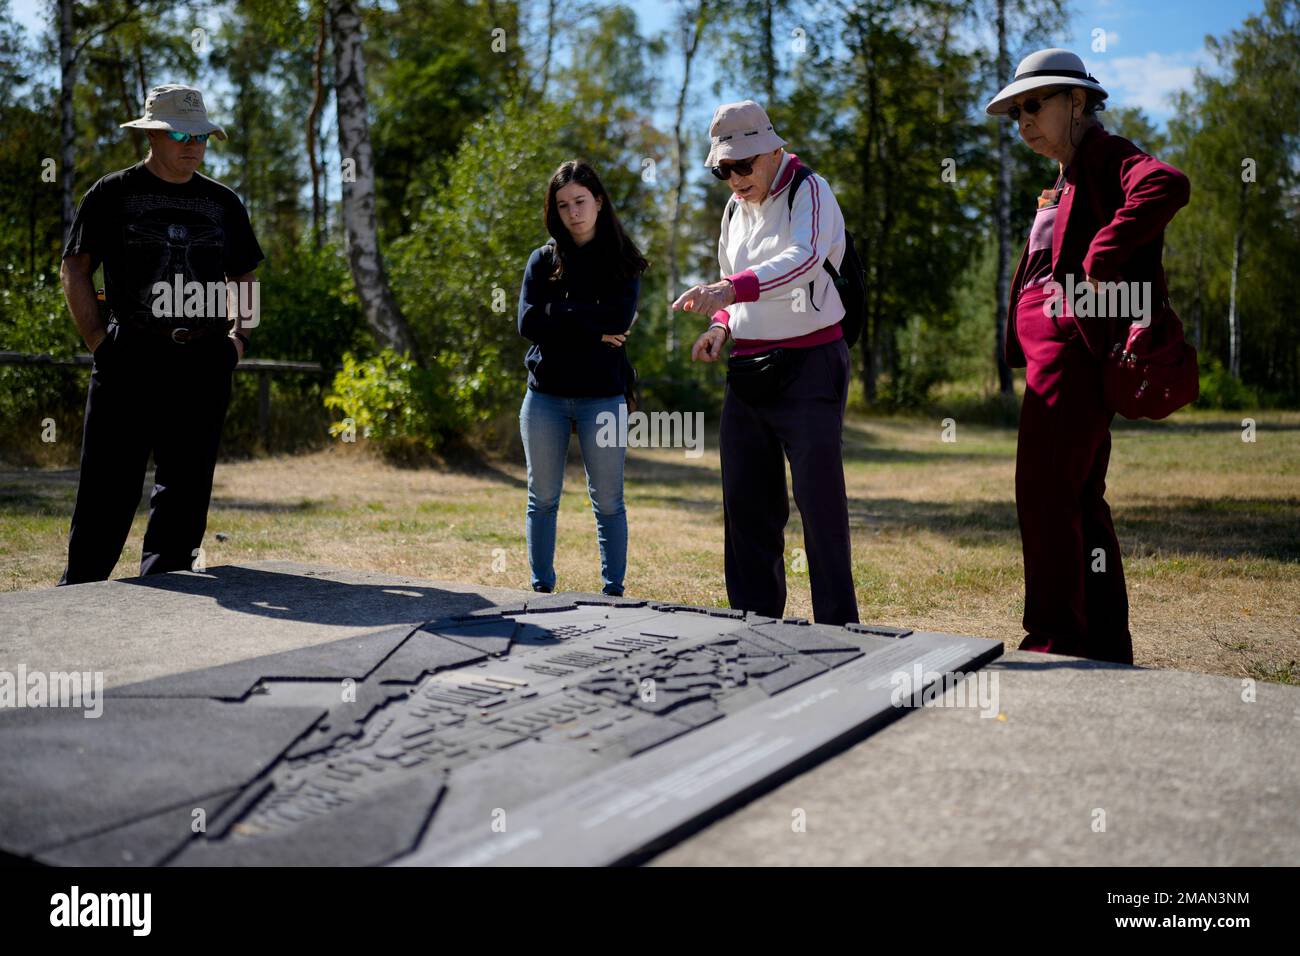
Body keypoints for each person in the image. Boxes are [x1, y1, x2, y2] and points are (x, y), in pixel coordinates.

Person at [986, 49, 1190, 664]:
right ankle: (1103, 641)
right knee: (1077, 498)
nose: (1023, 120)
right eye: (1015, 111)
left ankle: (1055, 639)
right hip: (1055, 355)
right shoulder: (1066, 175)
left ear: (1077, 102)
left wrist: (1103, 255)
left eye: (1034, 104)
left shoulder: (1104, 154)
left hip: (1074, 354)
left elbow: (1168, 182)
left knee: (1045, 491)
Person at [57, 84, 264, 585]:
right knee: (108, 486)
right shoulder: (112, 194)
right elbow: (75, 267)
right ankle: (78, 594)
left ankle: (167, 592)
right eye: (178, 133)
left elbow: (244, 279)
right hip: (129, 358)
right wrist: (97, 342)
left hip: (203, 361)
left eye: (201, 136)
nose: (191, 145)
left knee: (187, 488)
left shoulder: (223, 202)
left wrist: (239, 340)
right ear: (152, 135)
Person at [679, 100, 858, 626]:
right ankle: (754, 625)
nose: (734, 177)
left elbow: (802, 261)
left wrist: (729, 289)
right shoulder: (734, 210)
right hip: (748, 369)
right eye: (723, 168)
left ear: (773, 148)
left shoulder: (810, 190)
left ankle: (839, 630)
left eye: (743, 163)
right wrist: (720, 326)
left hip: (811, 364)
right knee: (746, 505)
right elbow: (733, 292)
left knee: (819, 506)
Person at [516, 160, 647, 596]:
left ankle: (613, 590)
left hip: (603, 396)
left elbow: (619, 317)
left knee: (608, 501)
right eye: (563, 204)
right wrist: (589, 324)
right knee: (543, 498)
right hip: (546, 396)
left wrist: (560, 316)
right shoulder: (543, 259)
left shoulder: (622, 259)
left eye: (580, 201)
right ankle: (540, 588)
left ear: (599, 201)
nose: (573, 212)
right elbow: (528, 323)